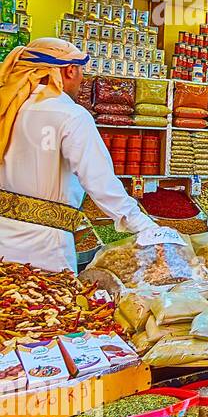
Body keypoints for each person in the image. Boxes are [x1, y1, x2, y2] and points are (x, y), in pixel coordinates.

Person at [0, 38, 158, 272]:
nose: (83, 79)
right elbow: (100, 182)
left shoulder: (8, 110)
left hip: (4, 240)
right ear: (69, 70)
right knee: (45, 306)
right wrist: (146, 227)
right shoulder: (70, 115)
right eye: (82, 71)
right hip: (44, 249)